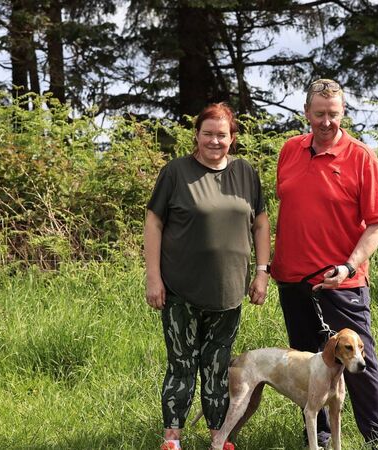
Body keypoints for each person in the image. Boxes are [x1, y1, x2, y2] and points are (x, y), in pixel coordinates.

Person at [270, 79, 378, 448]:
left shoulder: (361, 156)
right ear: (306, 113)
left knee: (358, 363)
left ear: (343, 113)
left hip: (341, 282)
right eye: (319, 113)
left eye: (333, 114)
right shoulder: (290, 150)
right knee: (311, 363)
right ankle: (319, 438)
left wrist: (349, 267)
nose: (326, 121)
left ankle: (376, 440)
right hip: (293, 280)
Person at [144, 102, 271, 450]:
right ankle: (172, 437)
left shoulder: (246, 173)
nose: (215, 141)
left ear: (232, 138)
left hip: (229, 292)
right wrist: (153, 277)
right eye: (208, 133)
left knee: (217, 367)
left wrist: (262, 273)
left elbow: (261, 223)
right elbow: (154, 223)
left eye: (222, 135)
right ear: (197, 135)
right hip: (180, 289)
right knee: (182, 364)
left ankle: (219, 436)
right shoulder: (176, 172)